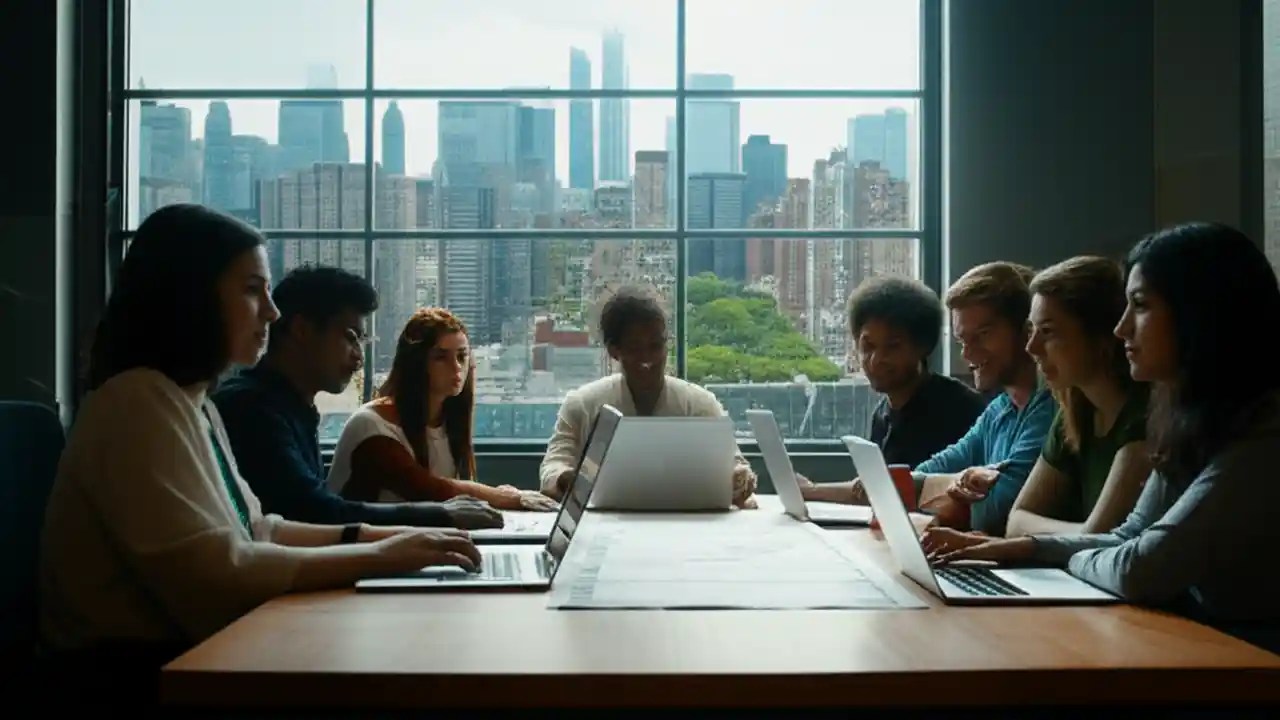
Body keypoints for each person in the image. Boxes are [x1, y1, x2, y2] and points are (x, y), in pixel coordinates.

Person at [38, 204, 481, 691]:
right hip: (128, 678)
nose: (272, 312)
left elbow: (259, 528)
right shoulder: (136, 402)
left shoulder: (191, 401)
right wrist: (386, 555)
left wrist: (388, 542)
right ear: (190, 295)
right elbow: (222, 575)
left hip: (188, 657)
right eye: (253, 290)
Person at [929, 222, 1280, 652]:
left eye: (1140, 305)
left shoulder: (1263, 431)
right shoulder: (1191, 418)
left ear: (1202, 312)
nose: (1122, 329)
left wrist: (1061, 555)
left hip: (1250, 662)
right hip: (1209, 645)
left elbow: (1139, 566)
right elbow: (1126, 537)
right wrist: (1020, 549)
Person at [213, 265, 502, 531]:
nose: (359, 357)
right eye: (350, 337)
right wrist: (440, 515)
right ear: (302, 330)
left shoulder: (290, 406)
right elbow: (312, 513)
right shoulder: (252, 410)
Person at [801, 262, 1057, 537]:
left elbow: (993, 511)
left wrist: (938, 489)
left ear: (1025, 331)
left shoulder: (1051, 409)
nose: (968, 354)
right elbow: (905, 483)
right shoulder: (999, 411)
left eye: (983, 335)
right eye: (962, 340)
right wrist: (957, 482)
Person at [922, 256, 1150, 554]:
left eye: (1049, 332)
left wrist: (1063, 537)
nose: (1032, 348)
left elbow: (1099, 538)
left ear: (1100, 335)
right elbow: (1017, 522)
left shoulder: (1142, 417)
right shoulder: (1072, 412)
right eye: (1033, 331)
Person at [539, 286, 758, 507]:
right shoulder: (582, 406)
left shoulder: (700, 404)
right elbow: (554, 466)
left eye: (655, 346)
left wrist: (739, 481)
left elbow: (734, 463)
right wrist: (567, 479)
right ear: (614, 351)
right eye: (635, 348)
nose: (647, 359)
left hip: (689, 532)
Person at [328, 308, 558, 511]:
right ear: (416, 363)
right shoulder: (372, 425)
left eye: (462, 356)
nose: (456, 368)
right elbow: (429, 490)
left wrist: (499, 497)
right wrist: (504, 497)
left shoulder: (448, 420)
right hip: (361, 552)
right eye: (440, 357)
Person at [800, 276, 986, 504]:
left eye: (893, 346)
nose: (876, 359)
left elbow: (899, 492)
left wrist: (811, 490)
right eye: (867, 346)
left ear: (923, 347)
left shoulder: (959, 410)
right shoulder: (882, 414)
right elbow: (876, 489)